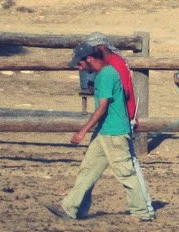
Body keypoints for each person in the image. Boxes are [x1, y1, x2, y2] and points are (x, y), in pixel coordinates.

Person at [48, 41, 154, 221]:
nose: (79, 68)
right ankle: (71, 208)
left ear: (89, 59)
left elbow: (102, 107)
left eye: (80, 64)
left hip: (114, 133)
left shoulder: (105, 76)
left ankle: (142, 212)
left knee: (125, 173)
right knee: (88, 170)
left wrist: (82, 131)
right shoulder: (107, 73)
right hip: (104, 131)